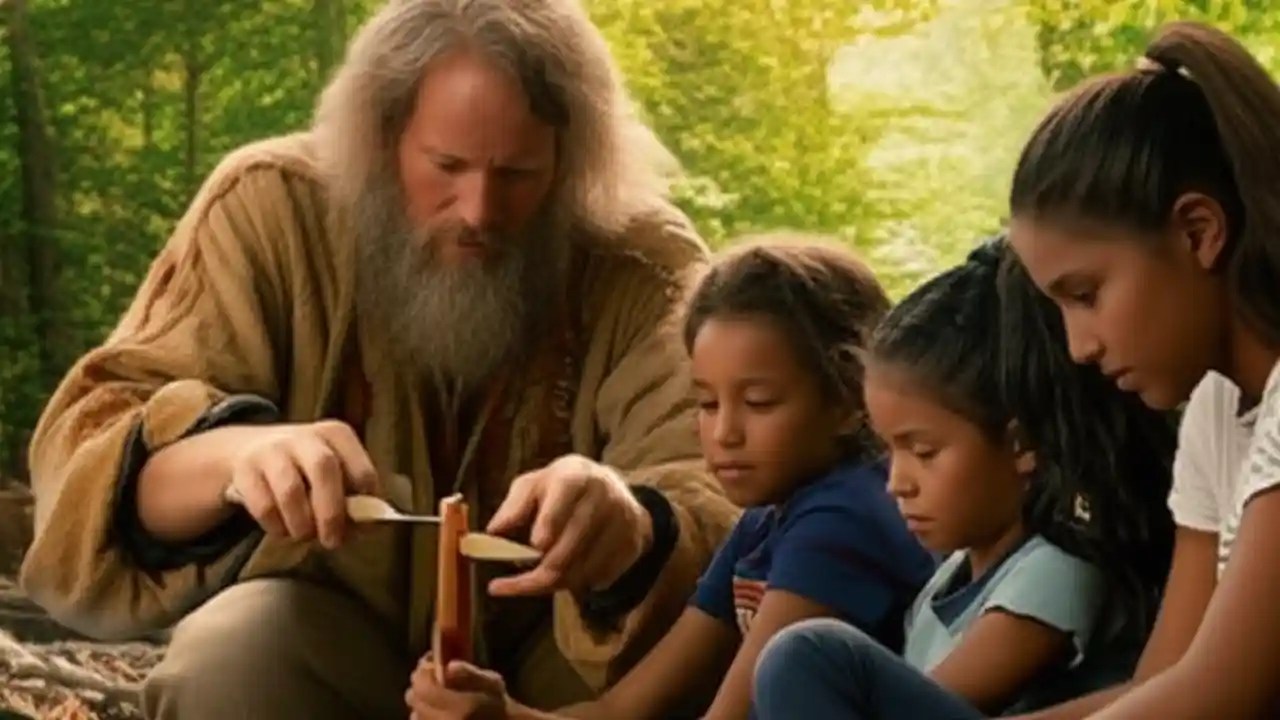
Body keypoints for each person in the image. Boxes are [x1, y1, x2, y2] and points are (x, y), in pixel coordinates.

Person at [16, 1, 741, 718]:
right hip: (325, 639)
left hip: (556, 674)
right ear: (384, 136)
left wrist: (632, 528)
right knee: (230, 657)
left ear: (570, 158)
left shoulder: (644, 263)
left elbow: (726, 499)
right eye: (446, 166)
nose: (479, 211)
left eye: (518, 174)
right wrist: (239, 456)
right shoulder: (270, 211)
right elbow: (93, 448)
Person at [403, 238, 938, 719]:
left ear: (850, 401)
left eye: (759, 402)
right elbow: (622, 709)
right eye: (705, 403)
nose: (723, 432)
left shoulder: (842, 522)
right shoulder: (764, 522)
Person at [750, 239, 1177, 719]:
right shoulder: (948, 577)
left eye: (923, 451)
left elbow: (937, 703)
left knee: (808, 657)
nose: (897, 483)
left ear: (1020, 445)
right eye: (890, 451)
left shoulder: (1055, 569)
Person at [1006, 20, 1280, 720]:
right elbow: (1165, 679)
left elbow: (1216, 694)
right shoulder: (1218, 413)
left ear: (1198, 232)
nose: (1078, 348)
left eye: (1086, 295)